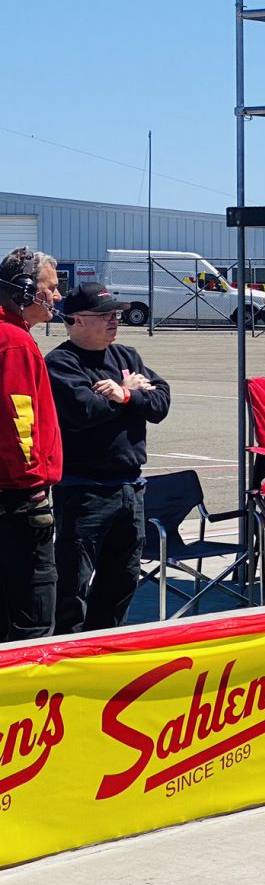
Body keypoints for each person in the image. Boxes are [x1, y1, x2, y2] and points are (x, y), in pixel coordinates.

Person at [46, 282, 171, 633]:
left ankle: (105, 645)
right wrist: (127, 395)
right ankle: (68, 657)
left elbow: (160, 402)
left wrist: (126, 398)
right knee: (73, 584)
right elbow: (83, 411)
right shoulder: (61, 363)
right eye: (103, 315)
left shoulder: (127, 356)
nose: (113, 320)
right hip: (86, 492)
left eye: (115, 314)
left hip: (130, 489)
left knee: (122, 580)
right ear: (75, 321)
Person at [0, 247, 63, 641]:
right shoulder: (15, 343)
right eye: (51, 288)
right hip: (18, 505)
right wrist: (34, 488)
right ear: (25, 290)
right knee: (33, 621)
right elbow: (19, 422)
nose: (57, 297)